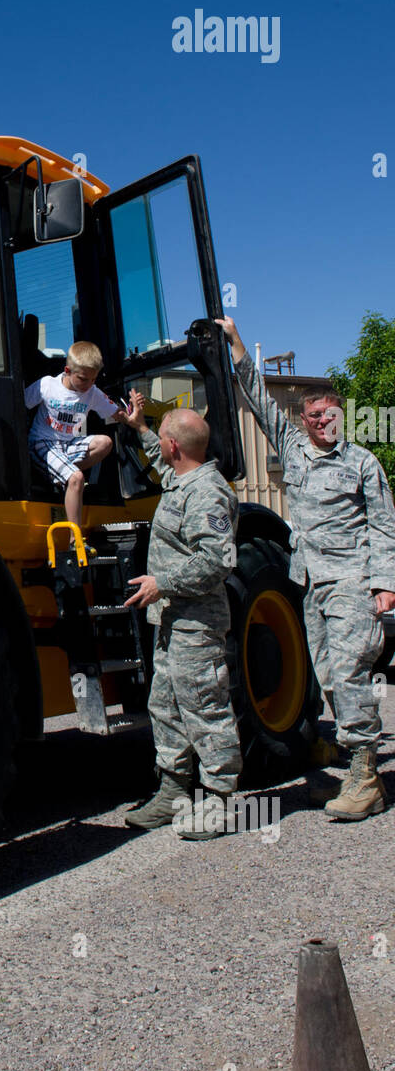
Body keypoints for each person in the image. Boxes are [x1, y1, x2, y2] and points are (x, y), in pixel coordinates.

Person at [215, 316, 395, 820]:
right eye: (313, 414)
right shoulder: (293, 451)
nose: (320, 421)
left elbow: (384, 526)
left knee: (350, 670)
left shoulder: (362, 464)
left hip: (353, 580)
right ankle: (356, 770)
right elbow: (257, 399)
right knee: (326, 675)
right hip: (310, 581)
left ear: (341, 417)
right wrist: (234, 342)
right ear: (304, 419)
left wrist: (385, 585)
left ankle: (365, 776)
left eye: (328, 414)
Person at [120, 397, 242, 835]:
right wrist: (140, 429)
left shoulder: (208, 493)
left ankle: (221, 800)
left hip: (197, 622)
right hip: (171, 621)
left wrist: (163, 584)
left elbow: (218, 559)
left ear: (176, 446)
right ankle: (173, 793)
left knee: (205, 707)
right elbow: (160, 457)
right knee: (166, 706)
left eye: (164, 440)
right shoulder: (181, 477)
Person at [24, 341, 126, 530]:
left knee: (105, 442)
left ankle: (66, 478)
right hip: (42, 443)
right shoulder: (47, 385)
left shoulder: (92, 392)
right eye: (84, 379)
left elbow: (117, 413)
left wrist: (133, 414)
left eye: (94, 379)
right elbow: (18, 405)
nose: (89, 385)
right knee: (77, 478)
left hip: (69, 444)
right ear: (68, 370)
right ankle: (75, 539)